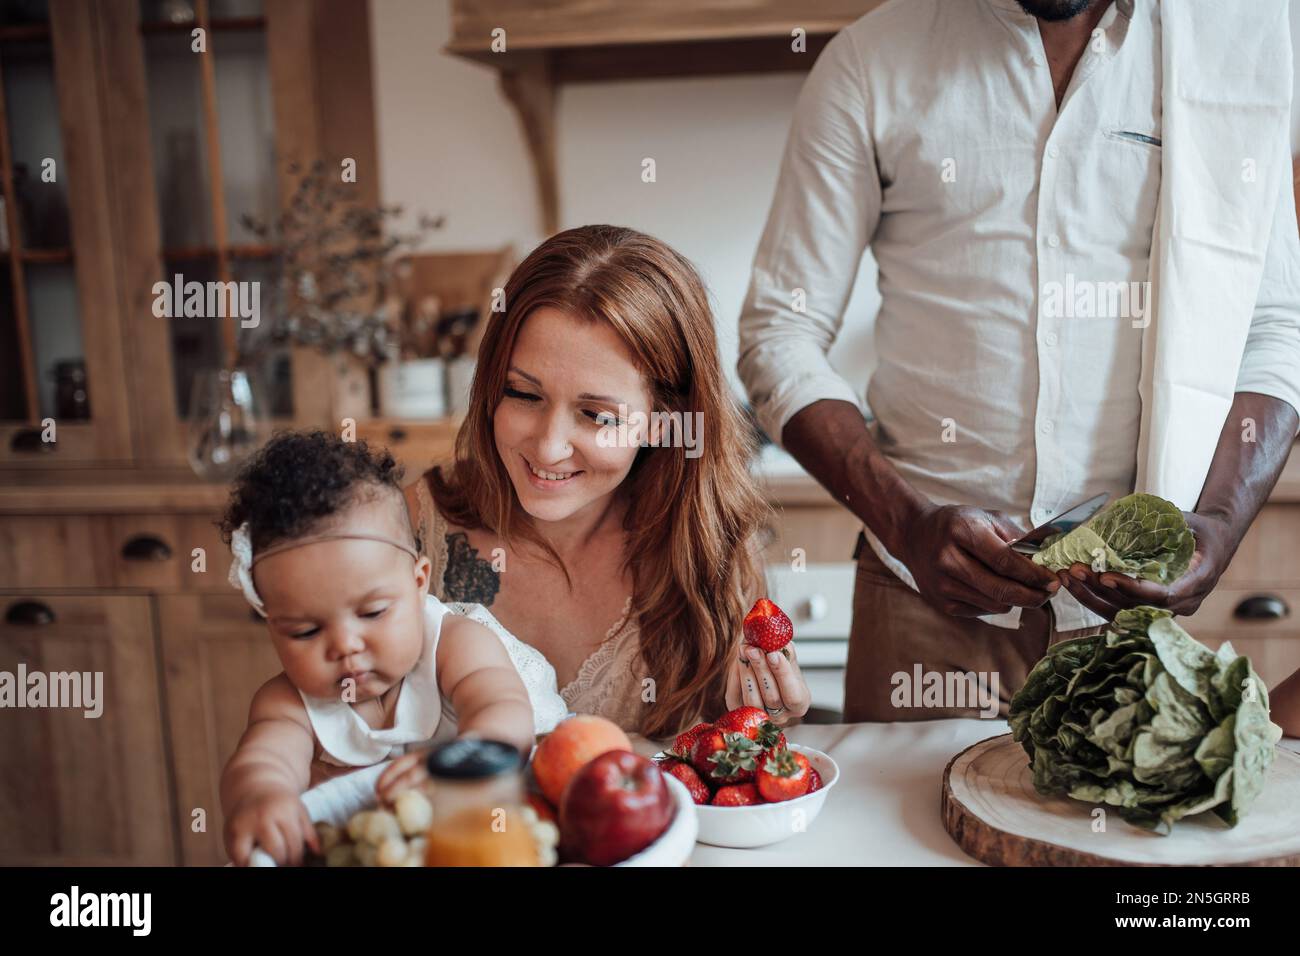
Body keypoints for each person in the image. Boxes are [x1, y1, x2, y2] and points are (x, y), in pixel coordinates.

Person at [738, 0, 1300, 720]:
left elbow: (1277, 323)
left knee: (1110, 835)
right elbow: (778, 328)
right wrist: (907, 523)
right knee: (895, 834)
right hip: (921, 610)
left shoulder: (1229, 50)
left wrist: (1220, 520)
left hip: (1129, 622)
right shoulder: (872, 59)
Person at [218, 431, 555, 865]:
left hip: (510, 803)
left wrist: (459, 765)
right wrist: (260, 796)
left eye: (373, 613)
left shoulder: (455, 643)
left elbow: (503, 711)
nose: (345, 646)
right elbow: (261, 759)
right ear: (271, 624)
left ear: (417, 584)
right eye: (304, 631)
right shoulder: (286, 702)